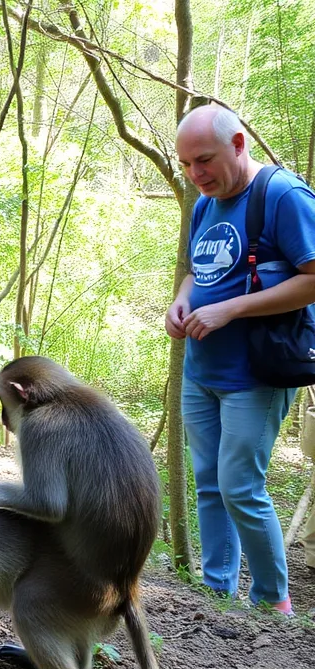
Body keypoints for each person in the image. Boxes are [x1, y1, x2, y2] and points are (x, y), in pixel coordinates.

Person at [166, 104, 315, 616]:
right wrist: (183, 300)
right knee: (208, 482)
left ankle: (274, 603)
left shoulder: (282, 195)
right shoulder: (205, 205)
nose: (195, 174)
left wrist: (231, 309)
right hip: (201, 371)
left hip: (255, 375)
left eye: (203, 160)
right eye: (186, 164)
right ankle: (216, 592)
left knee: (240, 486)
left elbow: (312, 277)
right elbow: (196, 271)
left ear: (237, 144)